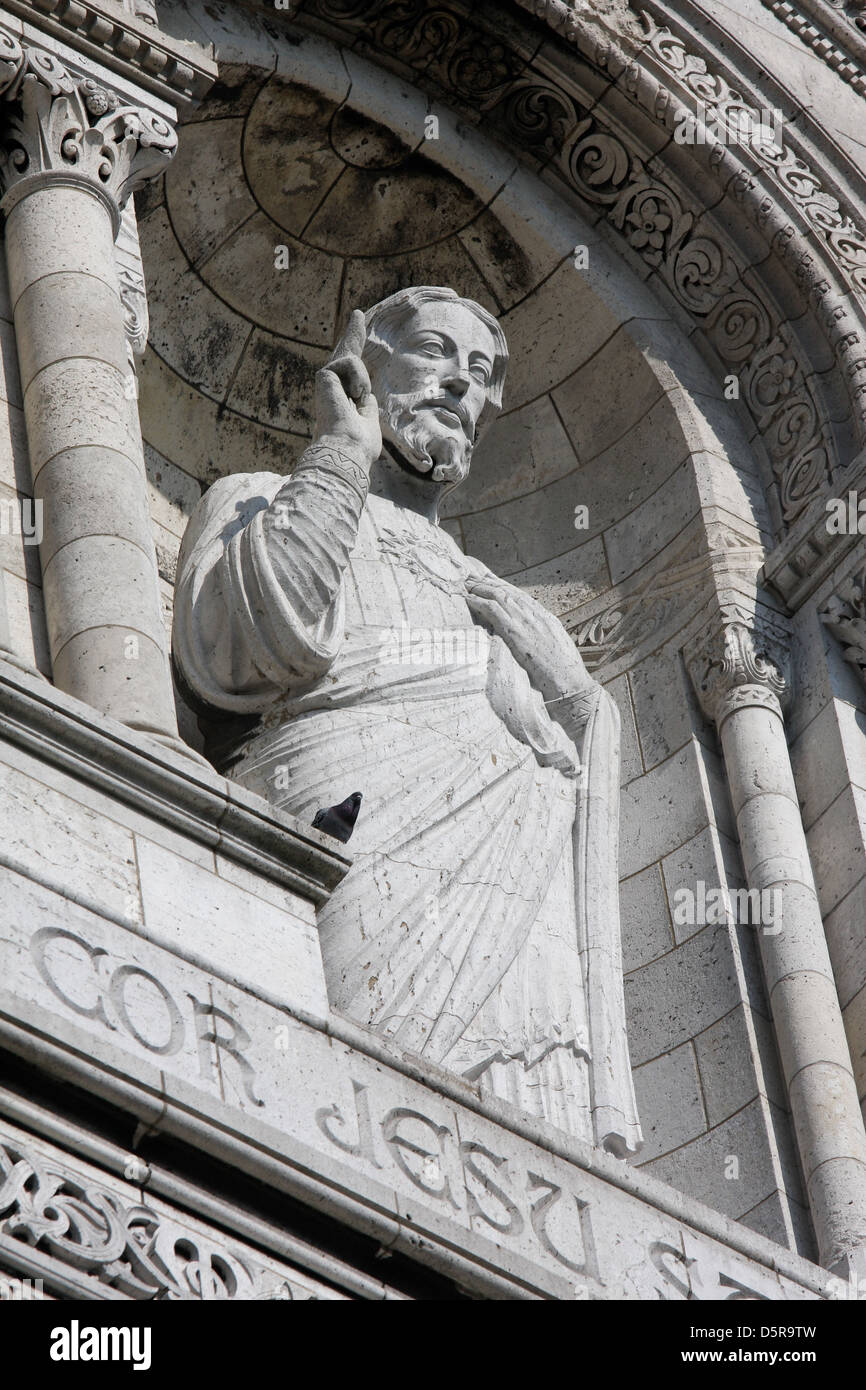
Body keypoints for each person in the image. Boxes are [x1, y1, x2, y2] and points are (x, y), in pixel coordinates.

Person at [173, 286, 642, 1155]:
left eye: (479, 374)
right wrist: (341, 456)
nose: (460, 387)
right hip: (350, 831)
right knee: (343, 1115)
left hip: (515, 885)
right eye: (433, 353)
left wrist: (576, 697)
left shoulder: (487, 593)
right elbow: (257, 647)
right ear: (369, 363)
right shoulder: (255, 498)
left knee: (524, 1139)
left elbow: (563, 755)